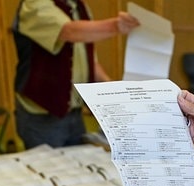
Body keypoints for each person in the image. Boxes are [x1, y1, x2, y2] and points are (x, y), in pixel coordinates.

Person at [12, 0, 139, 149]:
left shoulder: (79, 7)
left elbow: (88, 60)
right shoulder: (35, 4)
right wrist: (116, 26)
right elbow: (68, 31)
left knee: (77, 165)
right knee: (49, 169)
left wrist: (111, 89)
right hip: (42, 116)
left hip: (74, 113)